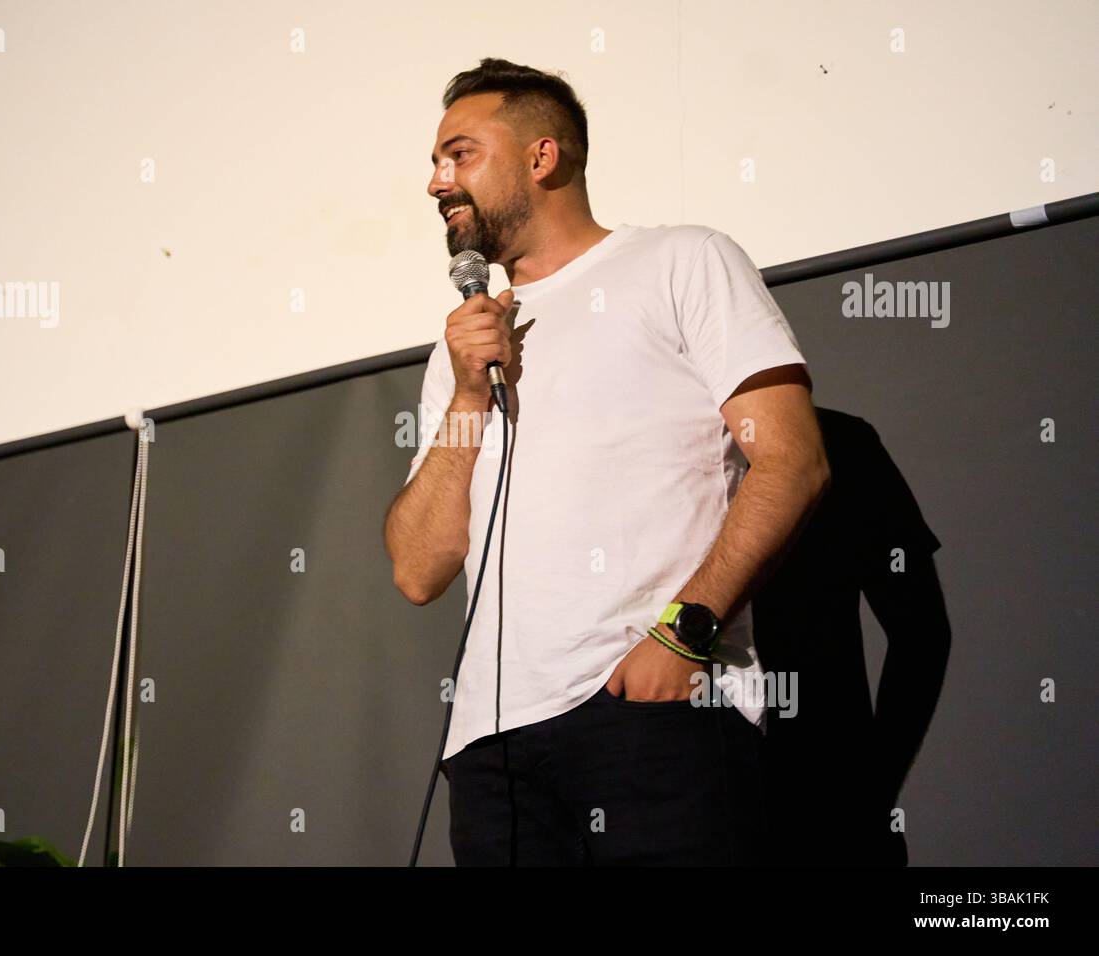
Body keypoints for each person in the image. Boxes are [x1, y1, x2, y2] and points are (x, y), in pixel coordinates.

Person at [383, 58, 830, 866]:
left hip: (649, 716)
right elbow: (419, 569)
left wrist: (684, 637)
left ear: (541, 156)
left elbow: (793, 464)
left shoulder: (682, 261)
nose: (436, 182)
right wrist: (465, 399)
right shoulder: (462, 348)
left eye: (459, 155)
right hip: (493, 750)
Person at [752, 407, 950, 867]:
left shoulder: (838, 442)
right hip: (822, 800)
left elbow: (921, 632)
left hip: (825, 803)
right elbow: (922, 631)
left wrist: (871, 795)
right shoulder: (837, 439)